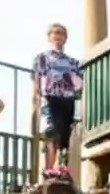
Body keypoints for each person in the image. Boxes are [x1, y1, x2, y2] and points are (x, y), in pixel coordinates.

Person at [32, 23, 83, 169]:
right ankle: (49, 168)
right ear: (49, 37)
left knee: (65, 134)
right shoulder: (42, 58)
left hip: (67, 97)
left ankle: (61, 166)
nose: (57, 37)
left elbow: (79, 82)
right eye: (54, 33)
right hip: (50, 97)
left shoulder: (72, 62)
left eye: (60, 34)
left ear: (65, 38)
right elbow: (36, 80)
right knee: (52, 132)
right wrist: (37, 98)